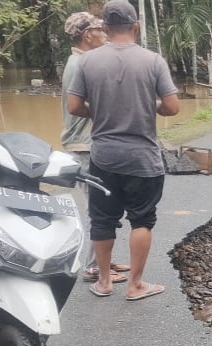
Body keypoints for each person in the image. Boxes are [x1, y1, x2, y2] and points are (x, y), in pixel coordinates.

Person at [67, 0, 180, 301]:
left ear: (104, 28)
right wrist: (147, 105)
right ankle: (135, 285)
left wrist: (104, 110)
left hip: (103, 157)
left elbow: (74, 106)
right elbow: (171, 106)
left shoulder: (86, 62)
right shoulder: (153, 60)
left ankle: (104, 282)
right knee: (142, 220)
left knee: (102, 219)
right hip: (142, 157)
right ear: (135, 26)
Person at [60, 12, 131, 285]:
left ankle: (103, 259)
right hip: (85, 147)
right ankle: (93, 267)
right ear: (87, 35)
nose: (105, 33)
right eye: (101, 29)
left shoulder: (81, 61)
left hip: (87, 144)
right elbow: (78, 106)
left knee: (104, 206)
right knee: (99, 210)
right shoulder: (81, 65)